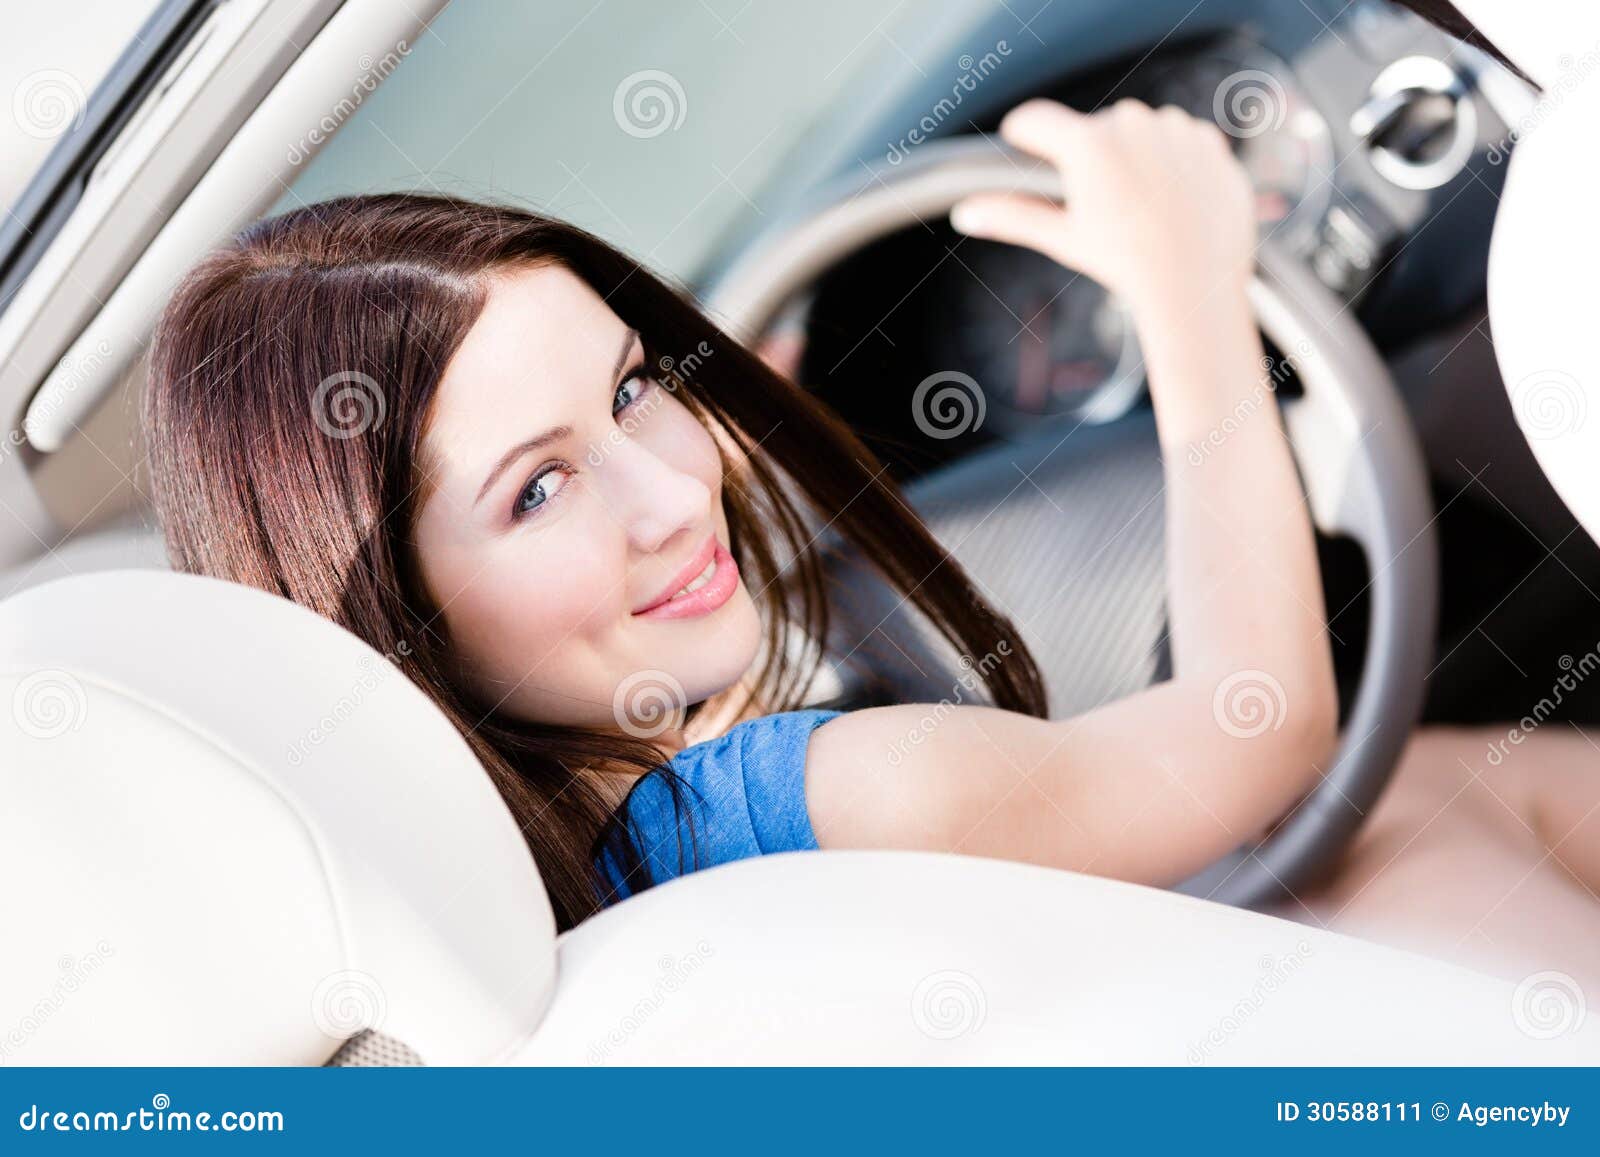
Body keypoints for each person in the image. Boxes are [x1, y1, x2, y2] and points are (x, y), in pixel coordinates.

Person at [142, 98, 1599, 998]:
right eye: (537, 491)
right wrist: (1193, 293)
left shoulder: (582, 898)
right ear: (391, 626)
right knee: (1398, 802)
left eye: (637, 386)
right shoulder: (805, 802)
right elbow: (1258, 730)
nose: (670, 493)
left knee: (1411, 787)